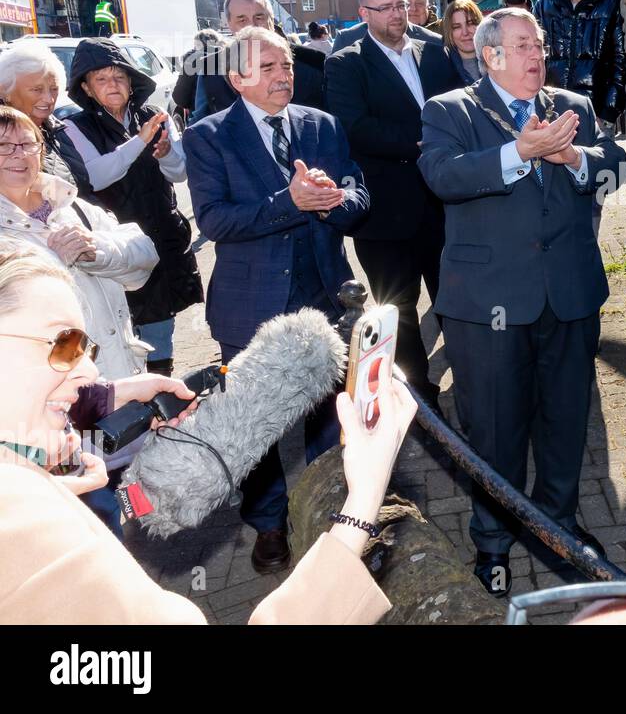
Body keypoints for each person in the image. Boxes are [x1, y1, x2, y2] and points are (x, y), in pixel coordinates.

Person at [0, 239, 417, 624]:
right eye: (60, 342)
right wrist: (363, 499)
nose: (88, 369)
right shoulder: (24, 522)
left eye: (84, 349)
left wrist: (99, 411)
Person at [418, 7, 626, 597]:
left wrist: (574, 157)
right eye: (523, 45)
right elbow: (443, 176)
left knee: (565, 425)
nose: (538, 54)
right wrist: (520, 152)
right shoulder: (450, 110)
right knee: (494, 431)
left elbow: (616, 167)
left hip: (568, 297)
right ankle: (492, 542)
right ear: (490, 55)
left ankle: (559, 528)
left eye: (539, 44)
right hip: (488, 307)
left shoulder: (574, 107)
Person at [185, 26, 370, 573]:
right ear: (237, 78)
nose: (283, 76)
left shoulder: (322, 125)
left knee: (326, 419)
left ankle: (331, 514)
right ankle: (268, 524)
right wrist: (288, 201)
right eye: (266, 69)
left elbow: (359, 195)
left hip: (323, 295)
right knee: (257, 426)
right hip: (250, 304)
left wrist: (336, 201)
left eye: (286, 65)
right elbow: (215, 220)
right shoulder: (207, 137)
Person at [0, 106, 160, 535]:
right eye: (2, 146)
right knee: (84, 527)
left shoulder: (76, 206)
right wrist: (54, 260)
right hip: (54, 416)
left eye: (26, 142)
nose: (17, 154)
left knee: (135, 512)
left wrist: (97, 251)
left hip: (121, 387)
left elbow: (146, 257)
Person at [325, 0, 460, 406]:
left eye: (402, 5)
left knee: (457, 298)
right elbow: (356, 127)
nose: (398, 15)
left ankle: (476, 380)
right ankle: (419, 399)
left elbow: (460, 105)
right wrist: (423, 141)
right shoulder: (345, 64)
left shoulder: (435, 50)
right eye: (386, 9)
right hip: (385, 215)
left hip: (444, 206)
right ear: (363, 13)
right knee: (399, 313)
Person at [63, 38, 203, 378]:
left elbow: (179, 172)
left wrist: (166, 152)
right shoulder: (74, 128)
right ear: (86, 87)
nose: (113, 85)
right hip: (115, 246)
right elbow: (97, 176)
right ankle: (129, 401)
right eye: (101, 79)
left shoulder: (155, 116)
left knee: (160, 325)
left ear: (131, 81)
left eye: (119, 77)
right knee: (119, 327)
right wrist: (140, 141)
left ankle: (161, 392)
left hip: (161, 235)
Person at [533, 0, 626, 128]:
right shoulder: (544, 6)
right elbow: (533, 58)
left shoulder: (614, 6)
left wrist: (608, 114)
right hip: (551, 115)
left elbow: (621, 62)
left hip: (596, 116)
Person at [195, 0, 326, 115]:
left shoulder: (311, 61)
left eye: (259, 17)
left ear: (271, 19)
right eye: (242, 20)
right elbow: (200, 121)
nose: (252, 25)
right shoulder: (211, 67)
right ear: (229, 24)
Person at [0, 40, 89, 191]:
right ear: (5, 91)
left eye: (54, 89)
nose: (49, 99)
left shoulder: (55, 130)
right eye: (37, 89)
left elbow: (83, 189)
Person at [331, 0, 438, 52]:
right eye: (385, 7)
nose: (395, 13)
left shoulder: (433, 41)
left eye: (400, 4)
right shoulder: (347, 39)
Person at [173, 28, 226, 122]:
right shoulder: (228, 59)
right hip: (228, 118)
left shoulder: (192, 63)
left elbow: (180, 98)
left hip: (200, 121)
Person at [441, 0, 485, 86]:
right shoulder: (441, 66)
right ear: (449, 32)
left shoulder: (497, 56)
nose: (465, 32)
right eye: (457, 27)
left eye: (470, 23)